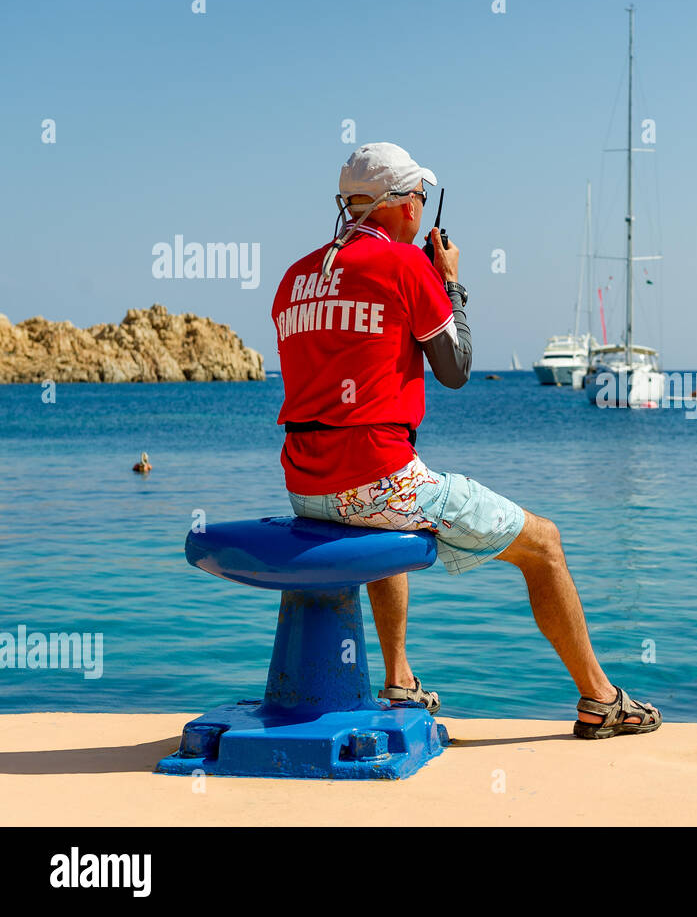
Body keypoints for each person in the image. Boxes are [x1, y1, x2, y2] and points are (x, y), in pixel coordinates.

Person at [270, 143, 660, 739]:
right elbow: (455, 368)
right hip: (377, 482)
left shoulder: (294, 279)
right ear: (402, 205)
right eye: (421, 198)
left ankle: (399, 681)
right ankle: (600, 700)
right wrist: (449, 283)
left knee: (382, 518)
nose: (423, 210)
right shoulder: (406, 267)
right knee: (545, 544)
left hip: (306, 486)